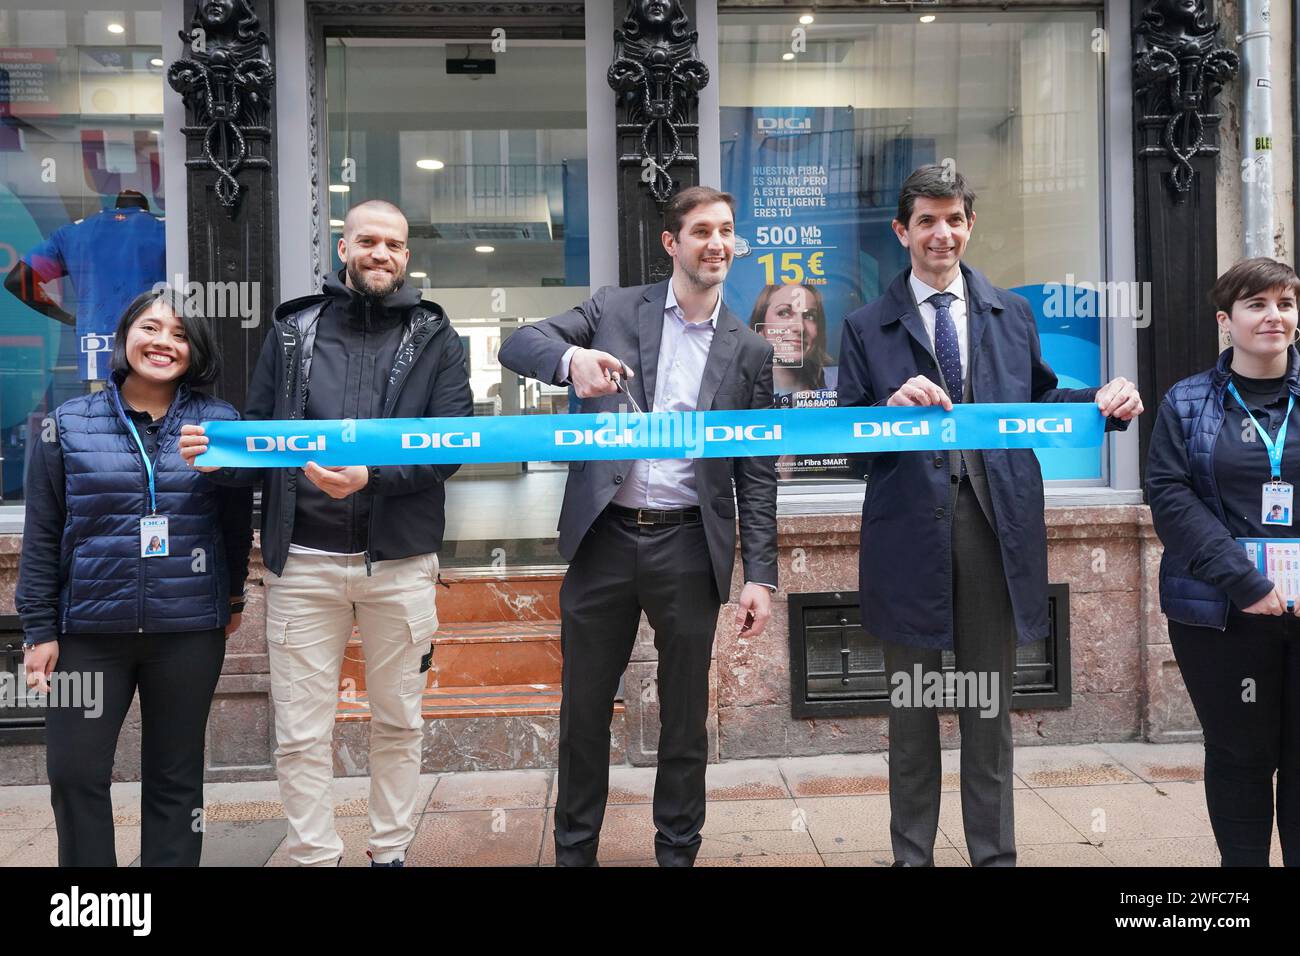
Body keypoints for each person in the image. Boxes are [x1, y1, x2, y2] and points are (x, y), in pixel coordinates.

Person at [836, 164, 1142, 867]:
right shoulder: (863, 326)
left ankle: (993, 858)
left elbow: (1036, 408)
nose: (941, 234)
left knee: (986, 711)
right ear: (902, 231)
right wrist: (883, 415)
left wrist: (1104, 402)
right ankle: (912, 857)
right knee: (911, 713)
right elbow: (847, 447)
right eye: (926, 221)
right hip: (907, 534)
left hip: (993, 529)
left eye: (954, 220)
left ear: (969, 225)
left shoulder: (1011, 313)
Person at [180, 199, 475, 867]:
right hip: (303, 563)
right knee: (300, 730)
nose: (381, 254)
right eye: (368, 241)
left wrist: (371, 476)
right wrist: (218, 455)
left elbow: (448, 444)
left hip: (399, 563)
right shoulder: (293, 329)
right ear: (344, 247)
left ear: (406, 257)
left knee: (399, 721)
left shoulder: (437, 335)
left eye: (395, 245)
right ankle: (315, 854)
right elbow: (258, 431)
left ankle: (390, 852)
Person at [497, 185, 778, 866]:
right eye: (703, 230)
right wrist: (573, 362)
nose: (717, 243)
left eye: (728, 231)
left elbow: (757, 472)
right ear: (671, 243)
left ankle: (677, 851)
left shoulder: (750, 351)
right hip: (606, 538)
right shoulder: (615, 310)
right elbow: (519, 342)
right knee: (585, 709)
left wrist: (760, 575)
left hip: (689, 542)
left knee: (685, 718)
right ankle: (575, 852)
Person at [16, 287, 253, 866]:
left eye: (178, 334)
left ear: (194, 351)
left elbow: (233, 519)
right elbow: (43, 532)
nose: (162, 343)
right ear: (124, 338)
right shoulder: (69, 424)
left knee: (175, 777)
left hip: (188, 628)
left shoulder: (218, 423)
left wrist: (232, 595)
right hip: (88, 632)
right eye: (150, 328)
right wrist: (38, 629)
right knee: (74, 773)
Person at [1147, 256, 1300, 866]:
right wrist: (1243, 581)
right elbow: (1169, 495)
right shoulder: (1187, 402)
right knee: (1239, 753)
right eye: (1256, 304)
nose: (1273, 316)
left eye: (1284, 304)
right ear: (1225, 320)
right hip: (1223, 614)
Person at [747, 283, 831, 395]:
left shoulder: (838, 385)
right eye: (784, 313)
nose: (800, 327)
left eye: (809, 316)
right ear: (760, 328)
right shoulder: (740, 391)